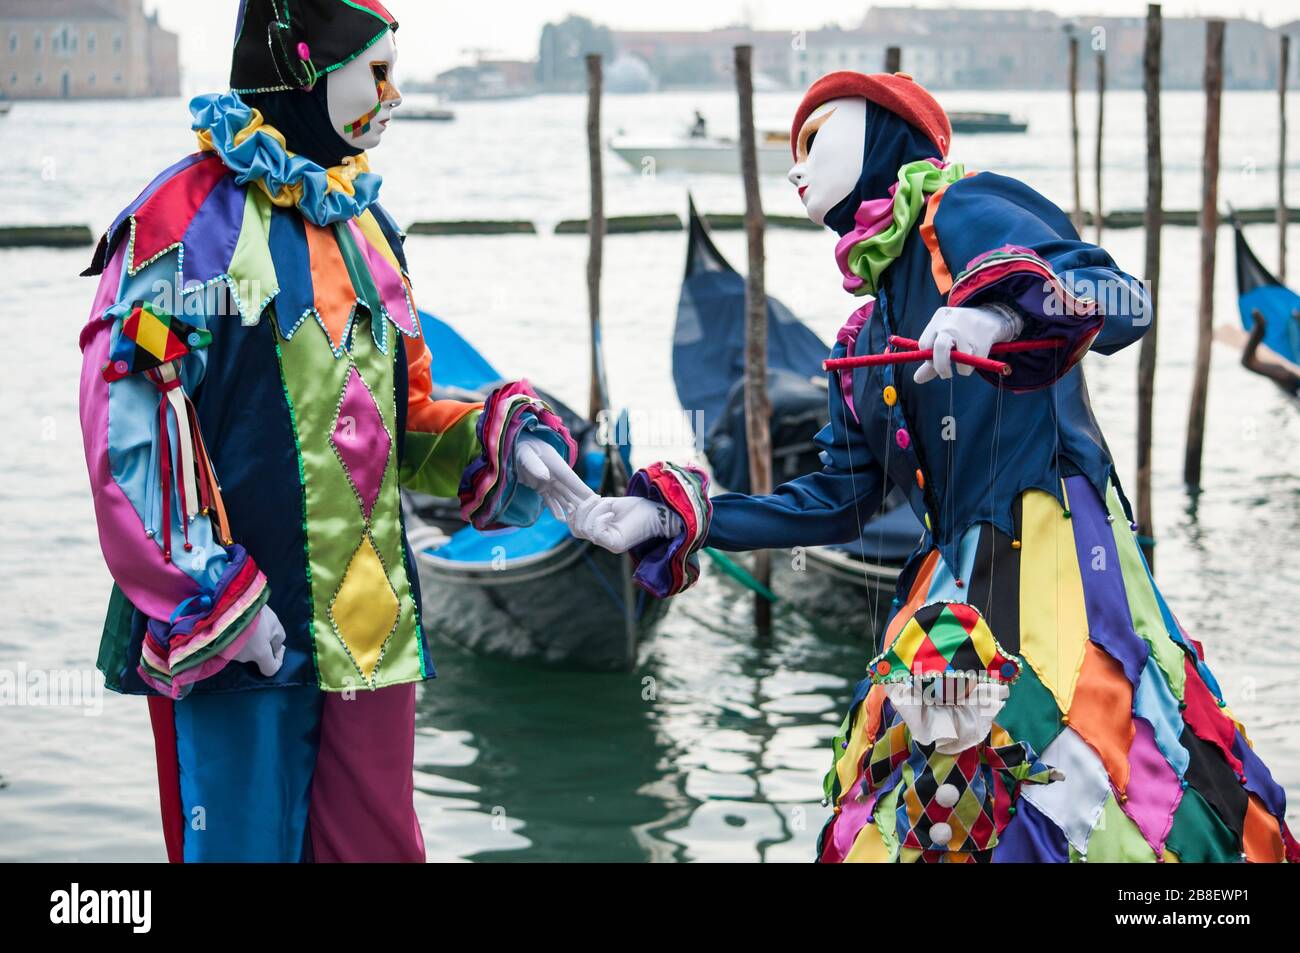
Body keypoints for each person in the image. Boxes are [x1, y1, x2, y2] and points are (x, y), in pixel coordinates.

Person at [573, 71, 1297, 862]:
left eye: (816, 141)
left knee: (1077, 774)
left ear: (884, 134)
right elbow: (839, 501)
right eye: (790, 149)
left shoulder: (966, 211)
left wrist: (1004, 311)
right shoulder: (862, 337)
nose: (794, 168)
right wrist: (683, 516)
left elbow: (1126, 301)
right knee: (914, 802)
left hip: (1057, 555)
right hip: (947, 583)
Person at [79, 0, 587, 862]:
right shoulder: (182, 226)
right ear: (305, 71)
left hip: (372, 629)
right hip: (244, 630)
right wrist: (212, 594)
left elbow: (404, 422)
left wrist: (509, 447)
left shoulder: (367, 231)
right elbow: (128, 428)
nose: (393, 96)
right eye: (375, 73)